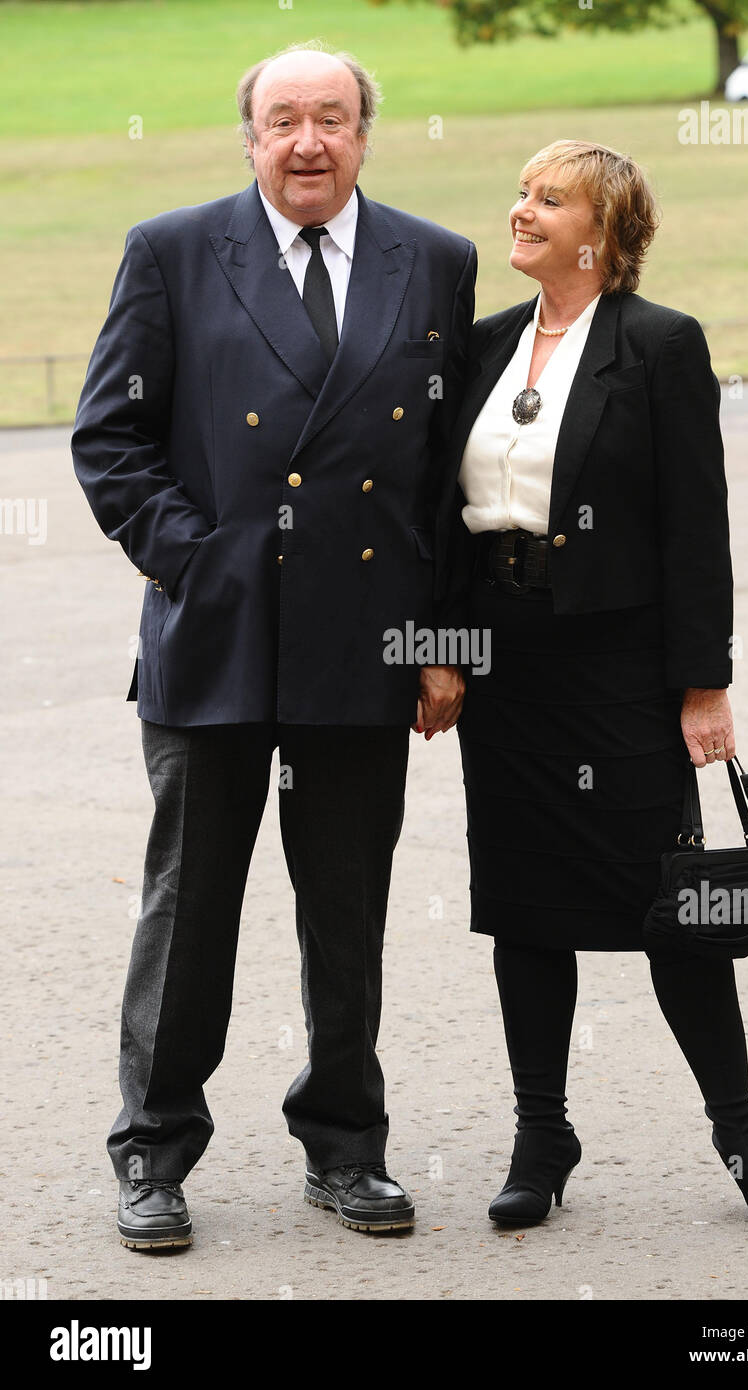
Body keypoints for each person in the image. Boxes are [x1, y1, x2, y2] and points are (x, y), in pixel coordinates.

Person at [72, 42, 473, 1246]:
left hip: (367, 647)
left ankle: (348, 1149)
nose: (309, 141)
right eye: (285, 119)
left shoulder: (435, 261)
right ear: (248, 136)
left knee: (345, 914)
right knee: (188, 911)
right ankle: (153, 1150)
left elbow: (446, 483)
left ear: (365, 133)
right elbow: (111, 439)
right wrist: (203, 561)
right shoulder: (174, 250)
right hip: (218, 640)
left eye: (333, 118)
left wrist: (445, 641)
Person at [438, 140, 748, 1234]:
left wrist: (704, 686)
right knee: (525, 908)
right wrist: (440, 646)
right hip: (507, 669)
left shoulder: (659, 346)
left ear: (602, 233)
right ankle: (540, 1134)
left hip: (619, 666)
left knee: (675, 906)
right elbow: (435, 517)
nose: (520, 211)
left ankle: (740, 1133)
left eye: (548, 199)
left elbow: (699, 528)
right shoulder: (482, 347)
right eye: (520, 191)